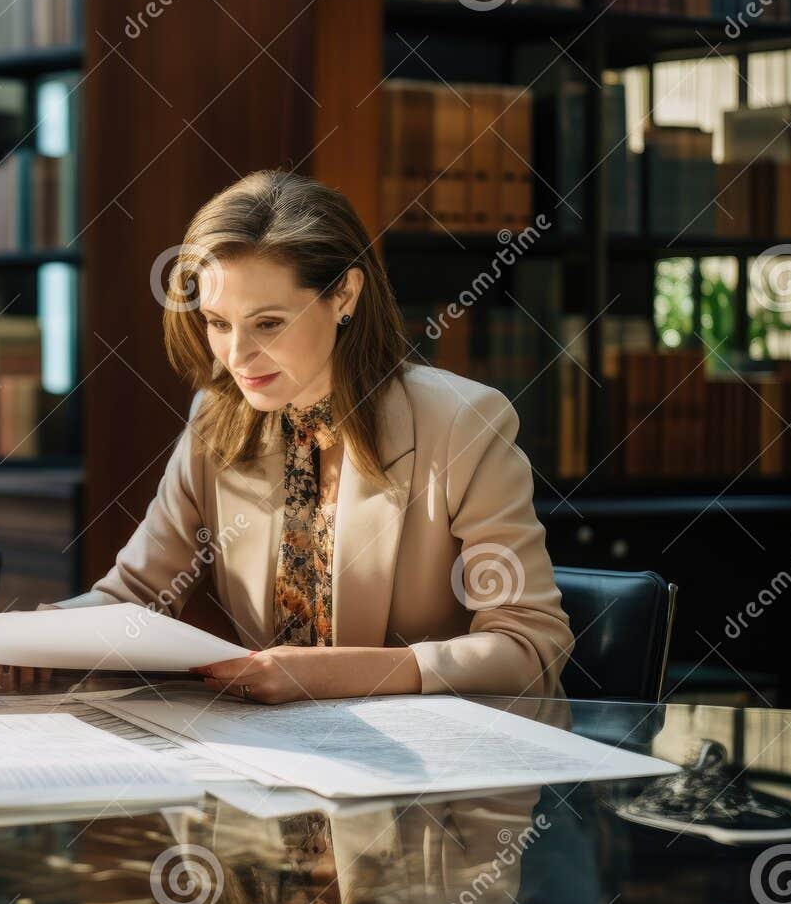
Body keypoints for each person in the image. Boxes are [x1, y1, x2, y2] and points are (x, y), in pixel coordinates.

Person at [48, 170, 572, 704]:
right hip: (276, 762)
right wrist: (39, 637)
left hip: (432, 773)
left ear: (344, 293)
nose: (236, 356)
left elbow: (528, 650)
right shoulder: (215, 418)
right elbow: (136, 595)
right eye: (218, 322)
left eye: (268, 323)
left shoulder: (463, 423)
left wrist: (327, 674)